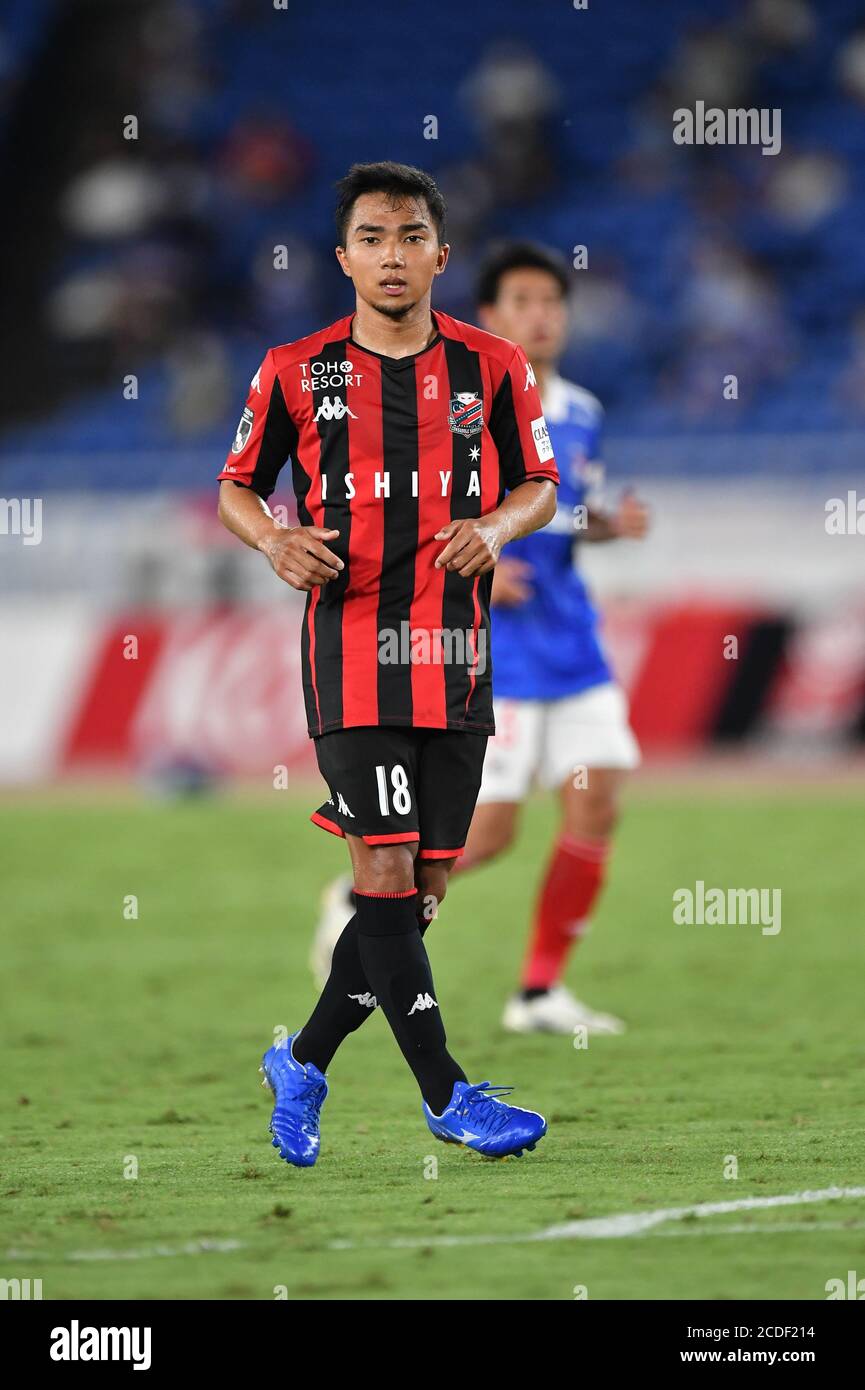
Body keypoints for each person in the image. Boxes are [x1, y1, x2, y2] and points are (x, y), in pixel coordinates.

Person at [217, 166, 559, 1166]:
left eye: (411, 236)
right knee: (382, 869)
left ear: (440, 255)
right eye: (372, 238)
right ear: (344, 257)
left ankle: (306, 1057)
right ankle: (449, 1095)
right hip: (352, 648)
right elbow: (238, 485)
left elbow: (537, 481)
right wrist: (274, 539)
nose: (392, 255)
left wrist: (495, 524)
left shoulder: (493, 368)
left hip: (454, 654)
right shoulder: (294, 369)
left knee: (414, 895)